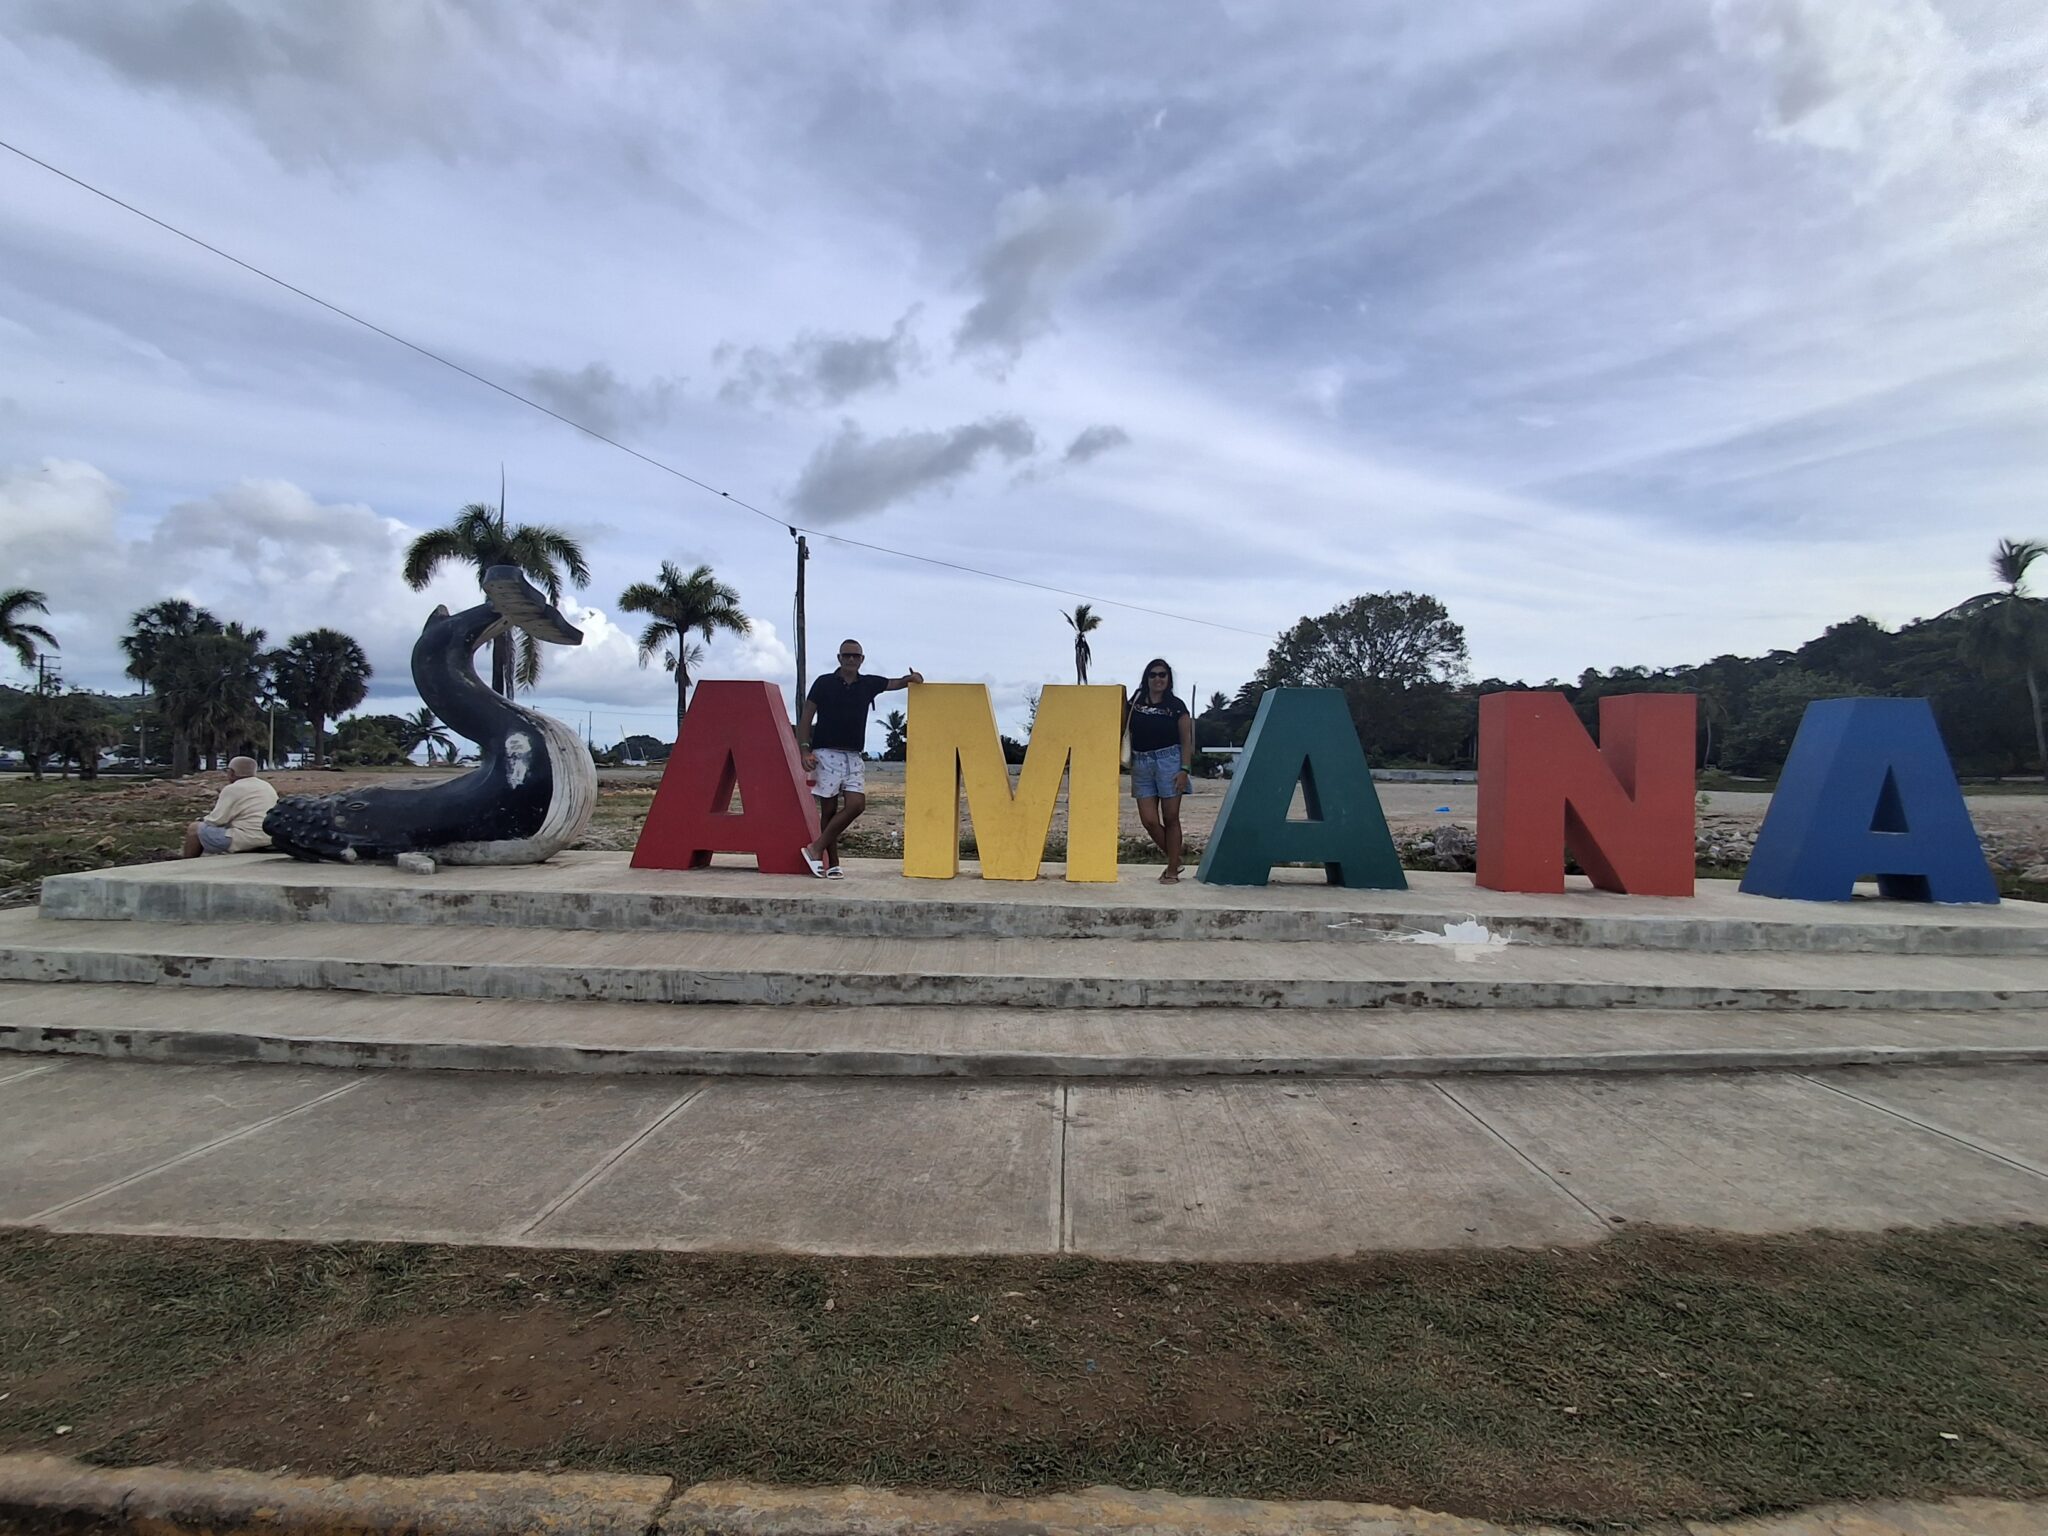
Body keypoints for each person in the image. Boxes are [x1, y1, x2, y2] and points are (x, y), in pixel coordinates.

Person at [797, 639, 922, 877]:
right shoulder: (823, 683)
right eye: (846, 655)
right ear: (839, 658)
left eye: (855, 656)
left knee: (856, 805)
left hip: (854, 755)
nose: (851, 659)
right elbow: (806, 718)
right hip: (825, 753)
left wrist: (913, 678)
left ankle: (815, 848)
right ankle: (833, 864)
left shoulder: (868, 683)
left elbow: (895, 683)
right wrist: (804, 750)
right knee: (829, 811)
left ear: (862, 659)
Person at [1127, 657, 1195, 883]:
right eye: (1153, 674)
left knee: (1171, 816)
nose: (1158, 679)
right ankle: (1176, 859)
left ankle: (1172, 869)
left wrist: (1184, 769)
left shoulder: (1176, 706)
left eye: (1162, 675)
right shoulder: (1135, 701)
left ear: (1168, 678)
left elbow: (1186, 740)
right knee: (1149, 820)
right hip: (1141, 762)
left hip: (1169, 761)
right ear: (1146, 678)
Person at [182, 755, 278, 858]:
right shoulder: (266, 786)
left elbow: (217, 820)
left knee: (194, 829)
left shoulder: (233, 788)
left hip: (247, 839)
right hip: (269, 837)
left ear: (231, 772)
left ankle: (187, 862)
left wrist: (201, 820)